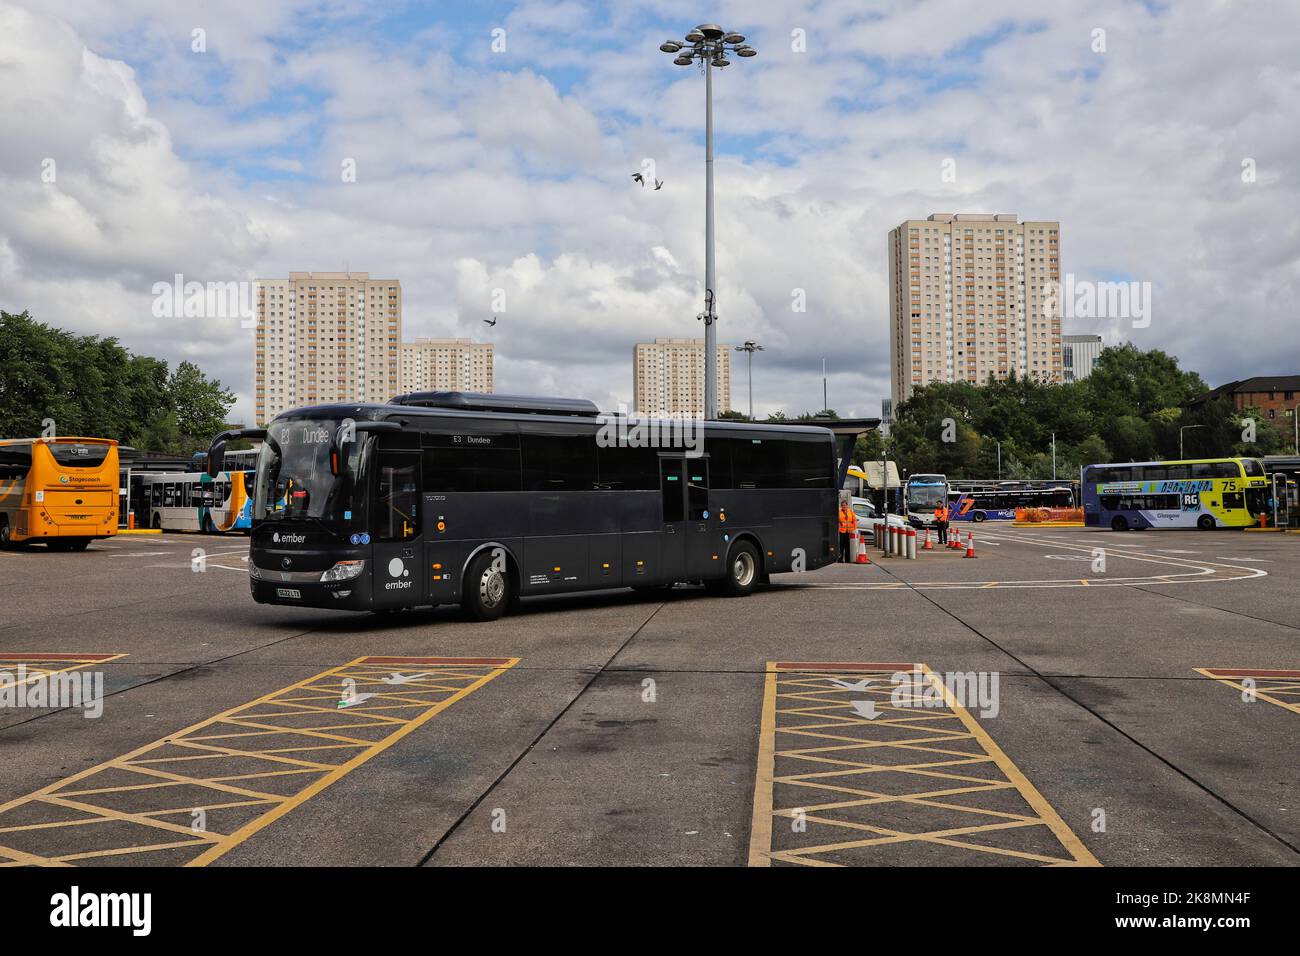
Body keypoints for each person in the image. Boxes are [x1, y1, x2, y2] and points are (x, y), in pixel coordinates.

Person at [838, 495, 857, 562]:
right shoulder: (839, 512)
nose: (844, 506)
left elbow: (854, 520)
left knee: (848, 546)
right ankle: (840, 559)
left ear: (847, 505)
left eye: (845, 505)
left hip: (849, 531)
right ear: (841, 506)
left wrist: (854, 529)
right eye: (842, 505)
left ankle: (847, 559)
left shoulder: (850, 512)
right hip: (842, 531)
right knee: (841, 546)